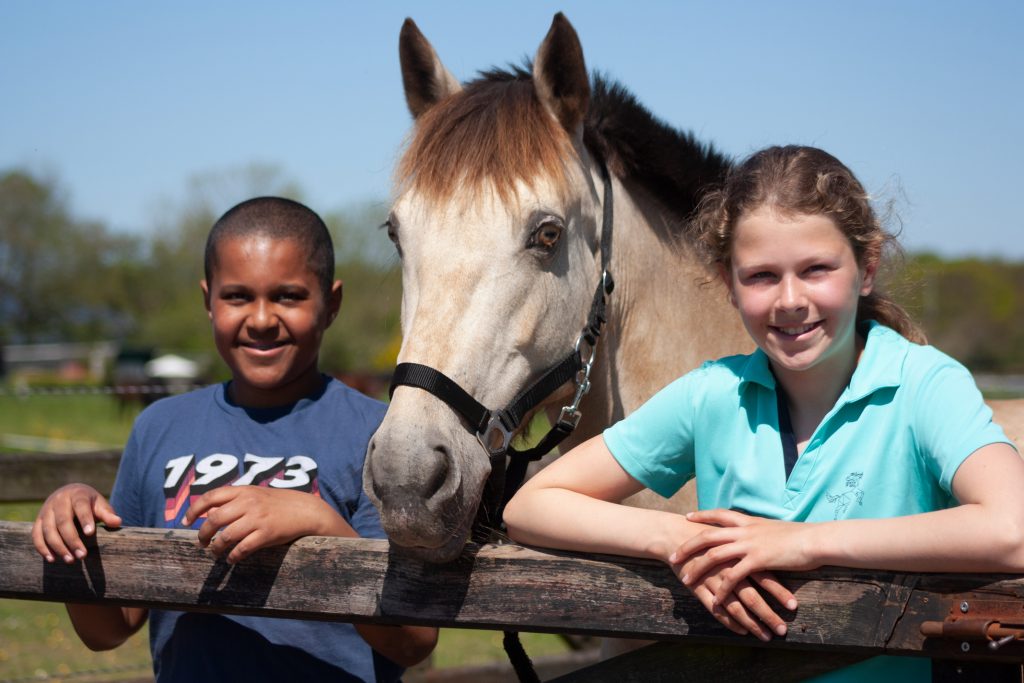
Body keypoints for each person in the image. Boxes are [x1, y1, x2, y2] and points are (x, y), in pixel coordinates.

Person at [503, 146, 1024, 681]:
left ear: (866, 270)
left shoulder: (924, 385)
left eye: (816, 269)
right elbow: (532, 506)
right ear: (729, 285)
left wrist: (805, 543)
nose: (790, 299)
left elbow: (1014, 529)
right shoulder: (712, 394)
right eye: (761, 276)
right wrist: (679, 541)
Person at [32, 197, 437, 682]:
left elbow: (414, 641)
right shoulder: (160, 426)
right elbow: (111, 630)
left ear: (332, 304)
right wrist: (71, 527)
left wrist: (322, 524)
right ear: (208, 301)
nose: (262, 318)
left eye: (288, 296)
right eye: (238, 296)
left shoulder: (377, 433)